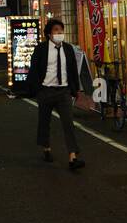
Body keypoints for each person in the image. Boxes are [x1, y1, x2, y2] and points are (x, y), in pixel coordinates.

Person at [21, 18, 91, 169]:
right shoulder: (41, 49)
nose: (59, 33)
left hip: (63, 91)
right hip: (46, 90)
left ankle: (73, 157)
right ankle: (46, 148)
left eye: (61, 30)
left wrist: (75, 89)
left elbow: (72, 70)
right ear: (49, 34)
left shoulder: (68, 49)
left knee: (68, 123)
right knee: (44, 122)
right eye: (56, 30)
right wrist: (36, 89)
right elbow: (34, 70)